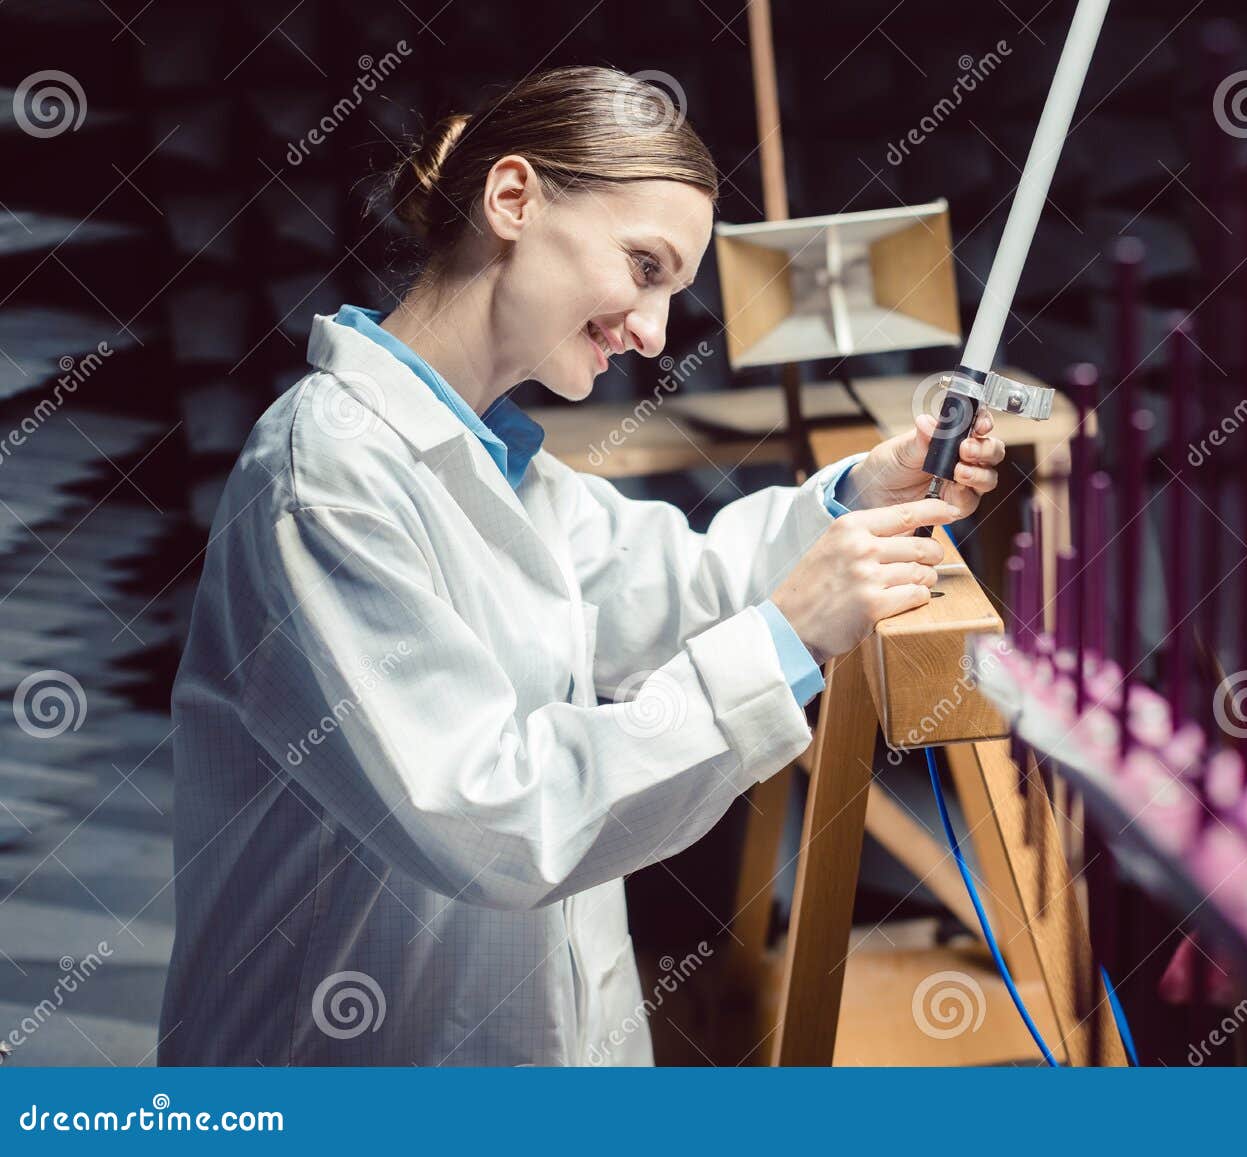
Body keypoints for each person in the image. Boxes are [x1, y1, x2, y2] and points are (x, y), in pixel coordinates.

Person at [159, 66, 1005, 1066]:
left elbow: (678, 587)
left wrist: (860, 490)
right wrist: (785, 637)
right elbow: (493, 814)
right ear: (511, 199)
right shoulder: (327, 476)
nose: (650, 332)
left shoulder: (500, 463)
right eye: (643, 268)